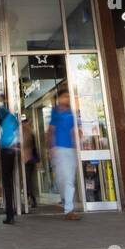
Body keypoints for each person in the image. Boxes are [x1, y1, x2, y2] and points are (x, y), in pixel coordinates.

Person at [49, 88, 80, 220]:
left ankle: (69, 210)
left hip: (71, 149)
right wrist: (51, 148)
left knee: (69, 179)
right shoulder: (55, 113)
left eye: (68, 97)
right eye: (64, 97)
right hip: (59, 150)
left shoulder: (72, 113)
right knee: (62, 180)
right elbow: (50, 131)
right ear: (59, 98)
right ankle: (65, 200)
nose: (67, 99)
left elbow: (75, 130)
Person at [0, 102, 20, 225]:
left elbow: (5, 140)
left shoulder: (5, 122)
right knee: (11, 182)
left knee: (7, 184)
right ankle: (14, 210)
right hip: (13, 152)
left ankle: (10, 215)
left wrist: (0, 147)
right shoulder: (13, 119)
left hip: (6, 152)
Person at [21, 115, 38, 209]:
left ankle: (30, 198)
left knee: (28, 180)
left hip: (28, 160)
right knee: (29, 180)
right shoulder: (29, 133)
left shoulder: (27, 133)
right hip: (29, 160)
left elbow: (34, 148)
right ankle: (30, 198)